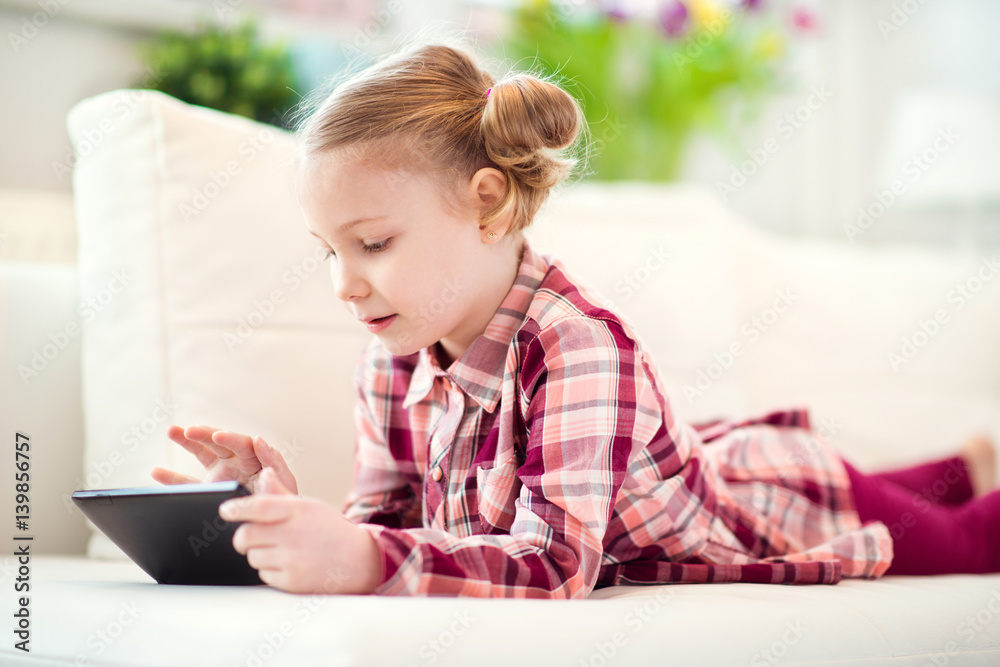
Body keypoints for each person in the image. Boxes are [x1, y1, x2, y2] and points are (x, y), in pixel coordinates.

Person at [150, 40, 1000, 598]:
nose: (344, 283)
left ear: (485, 206)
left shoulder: (575, 345)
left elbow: (557, 567)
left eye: (370, 242)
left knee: (962, 543)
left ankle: (963, 472)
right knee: (929, 486)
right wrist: (290, 518)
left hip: (774, 503)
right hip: (707, 464)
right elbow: (392, 523)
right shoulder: (394, 352)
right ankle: (964, 459)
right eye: (327, 250)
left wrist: (366, 560)